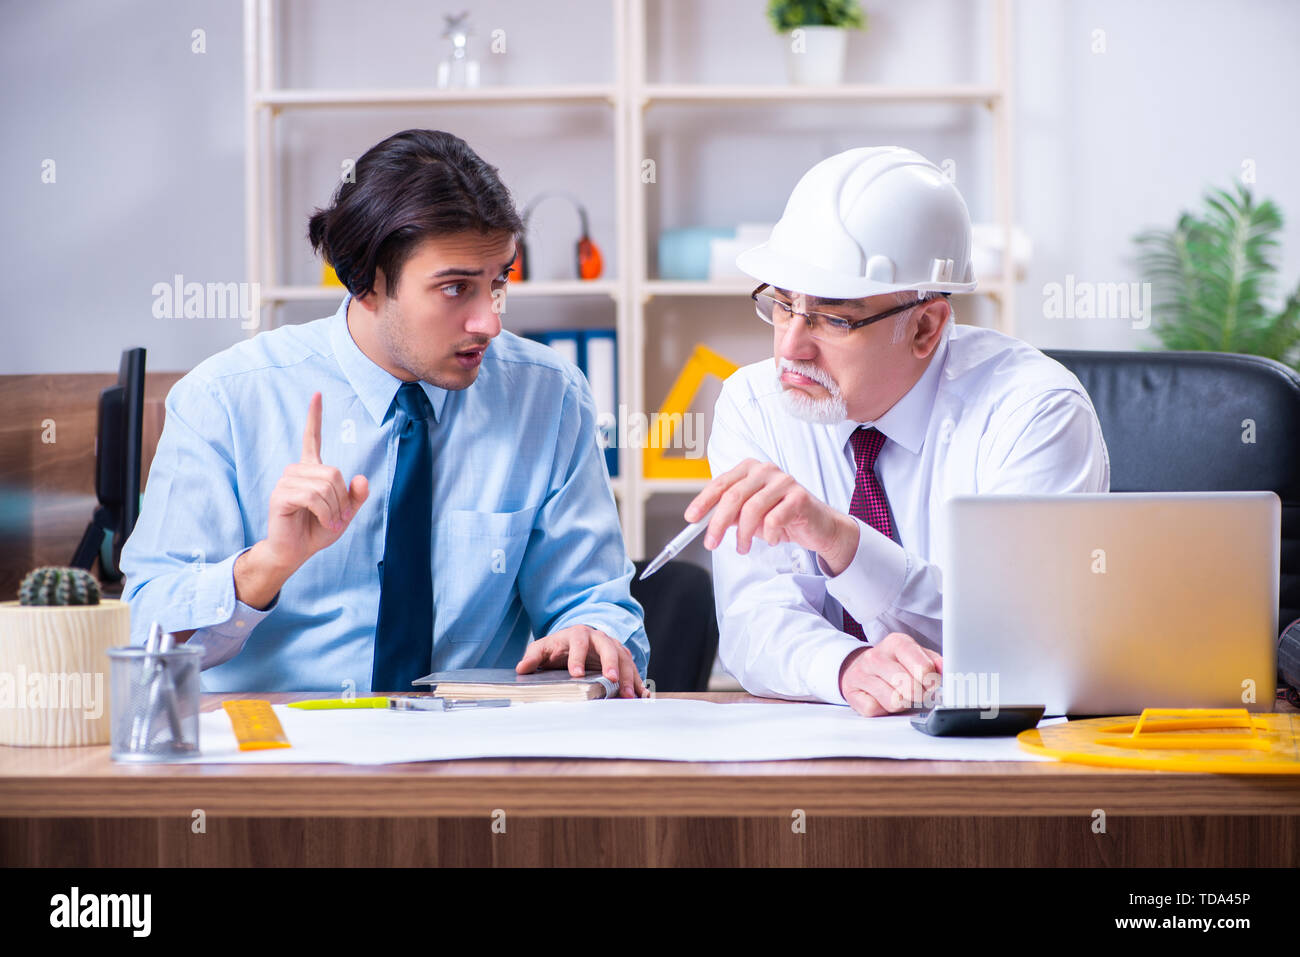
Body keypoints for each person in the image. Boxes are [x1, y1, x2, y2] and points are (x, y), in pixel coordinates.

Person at [121, 129, 648, 696]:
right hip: (284, 757)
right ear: (367, 283)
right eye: (454, 289)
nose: (490, 321)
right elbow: (143, 635)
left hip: (474, 754)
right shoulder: (225, 399)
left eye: (499, 282)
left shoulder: (550, 396)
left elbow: (596, 601)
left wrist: (591, 633)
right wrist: (266, 565)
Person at [686, 146, 1109, 717]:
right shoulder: (756, 404)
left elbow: (1021, 642)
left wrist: (843, 542)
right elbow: (753, 618)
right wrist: (844, 667)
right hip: (819, 748)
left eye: (834, 318)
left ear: (925, 327)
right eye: (783, 305)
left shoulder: (1033, 412)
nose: (790, 347)